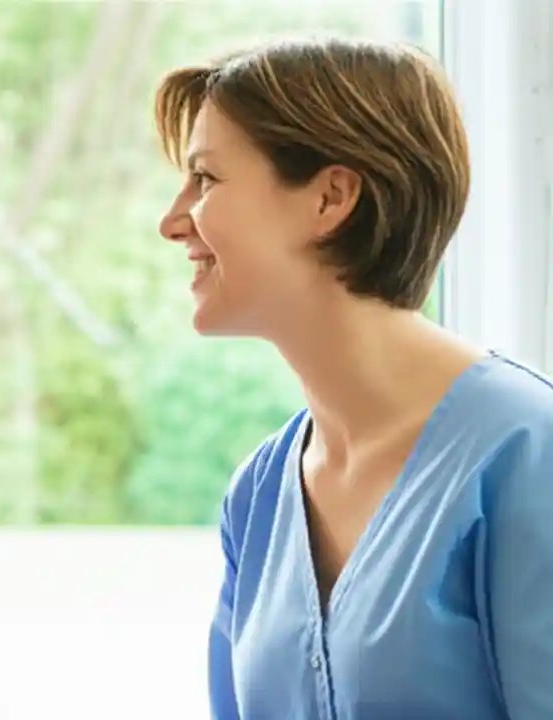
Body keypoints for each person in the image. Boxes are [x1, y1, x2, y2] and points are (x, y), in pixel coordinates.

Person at [155, 37, 553, 719]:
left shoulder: (526, 452)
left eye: (207, 179)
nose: (171, 221)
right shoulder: (257, 496)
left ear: (330, 198)